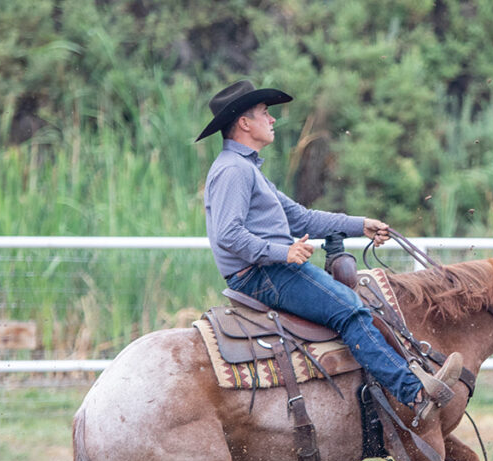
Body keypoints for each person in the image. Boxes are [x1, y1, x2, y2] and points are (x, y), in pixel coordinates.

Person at [197, 80, 462, 423]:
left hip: (267, 269)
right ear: (244, 123)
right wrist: (283, 252)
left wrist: (359, 225)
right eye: (264, 113)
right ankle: (414, 393)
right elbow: (228, 234)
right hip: (264, 274)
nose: (272, 119)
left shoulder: (246, 168)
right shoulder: (234, 170)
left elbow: (301, 218)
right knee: (350, 309)